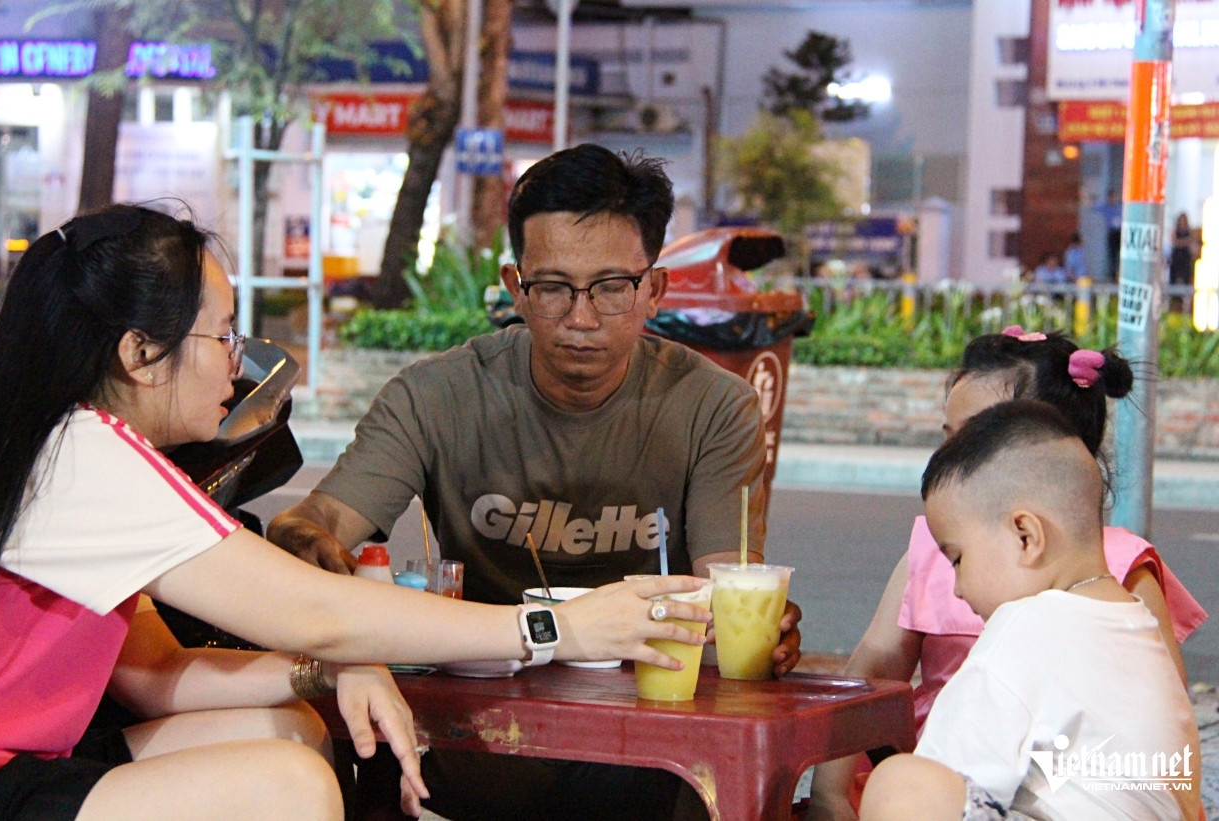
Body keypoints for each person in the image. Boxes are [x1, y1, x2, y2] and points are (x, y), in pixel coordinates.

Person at [0, 203, 712, 821]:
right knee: (289, 786)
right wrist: (556, 628)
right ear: (140, 353)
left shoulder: (46, 435)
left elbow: (158, 674)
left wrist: (327, 671)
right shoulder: (85, 456)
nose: (239, 360)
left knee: (291, 728)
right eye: (223, 333)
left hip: (10, 772)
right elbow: (314, 610)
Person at [268, 143, 802, 820]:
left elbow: (726, 596)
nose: (581, 317)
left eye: (611, 287)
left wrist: (760, 625)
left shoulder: (714, 408)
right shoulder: (435, 396)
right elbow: (306, 527)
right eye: (552, 287)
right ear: (515, 287)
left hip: (646, 741)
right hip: (472, 732)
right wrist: (319, 560)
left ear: (654, 289)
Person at [806, 327, 1206, 821]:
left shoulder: (1023, 626)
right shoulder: (1133, 624)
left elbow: (942, 771)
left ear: (1026, 535)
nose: (958, 587)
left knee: (903, 782)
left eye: (958, 560)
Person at [1170, 212, 1196, 287]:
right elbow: (1174, 241)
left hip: (1185, 256)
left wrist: (1181, 242)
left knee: (1187, 276)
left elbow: (1191, 240)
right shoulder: (1175, 230)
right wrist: (1184, 242)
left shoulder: (1189, 230)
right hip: (1177, 256)